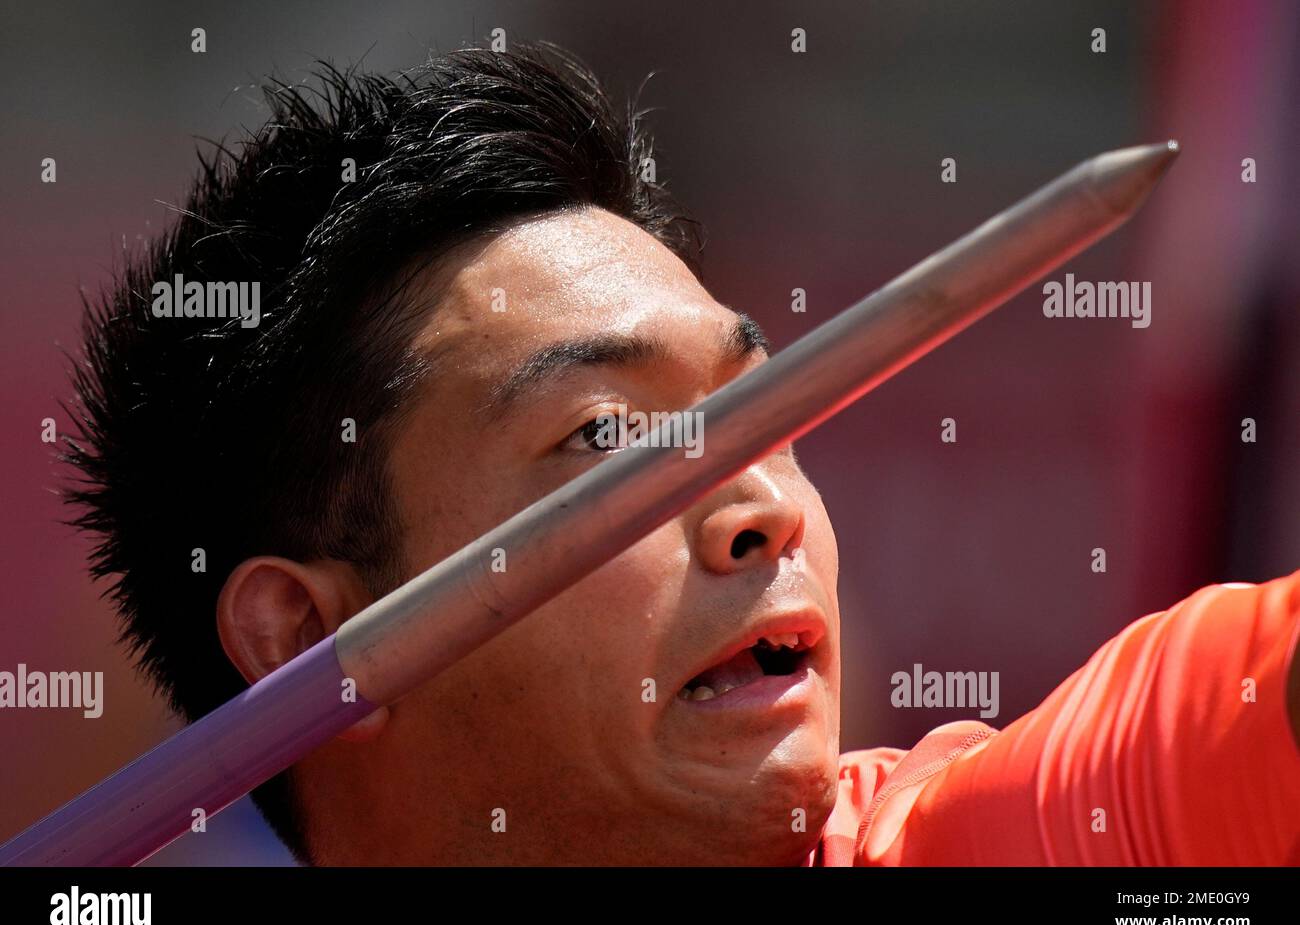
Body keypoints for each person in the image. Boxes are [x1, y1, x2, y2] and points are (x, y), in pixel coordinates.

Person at [63, 42, 1300, 866]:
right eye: (607, 439)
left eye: (762, 413)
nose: (760, 504)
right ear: (304, 645)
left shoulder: (1026, 830)